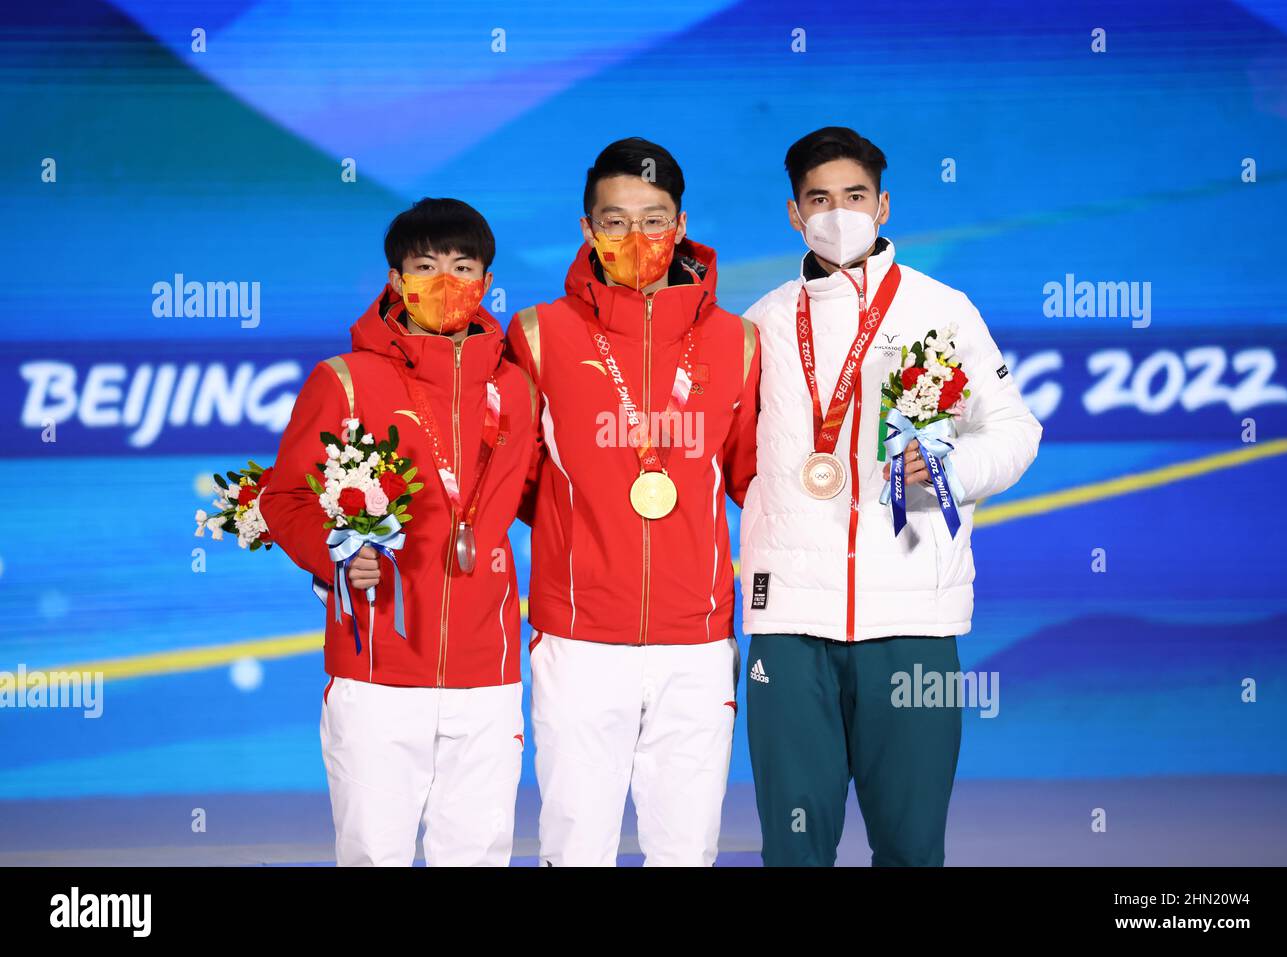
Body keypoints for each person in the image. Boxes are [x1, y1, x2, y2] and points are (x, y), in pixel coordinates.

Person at [739, 127, 1042, 866]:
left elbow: (1015, 432)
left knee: (910, 848)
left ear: (883, 205)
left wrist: (946, 471)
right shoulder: (763, 322)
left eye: (853, 196)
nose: (836, 213)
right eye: (819, 199)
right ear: (792, 213)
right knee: (794, 849)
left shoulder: (943, 309)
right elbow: (726, 454)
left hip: (912, 617)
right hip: (790, 624)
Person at [505, 137, 760, 866]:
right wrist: (584, 537)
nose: (636, 238)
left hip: (697, 639)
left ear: (681, 226)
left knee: (685, 849)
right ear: (588, 229)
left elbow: (748, 480)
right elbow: (515, 481)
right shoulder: (536, 334)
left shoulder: (738, 342)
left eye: (654, 219)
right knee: (576, 845)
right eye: (614, 221)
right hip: (580, 637)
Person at [261, 198, 539, 866]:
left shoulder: (516, 389)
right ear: (396, 279)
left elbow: (545, 497)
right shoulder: (346, 380)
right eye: (426, 266)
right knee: (374, 854)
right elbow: (285, 496)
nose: (446, 282)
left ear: (485, 281)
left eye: (463, 266)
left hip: (488, 670)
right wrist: (336, 553)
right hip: (377, 666)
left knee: (477, 853)